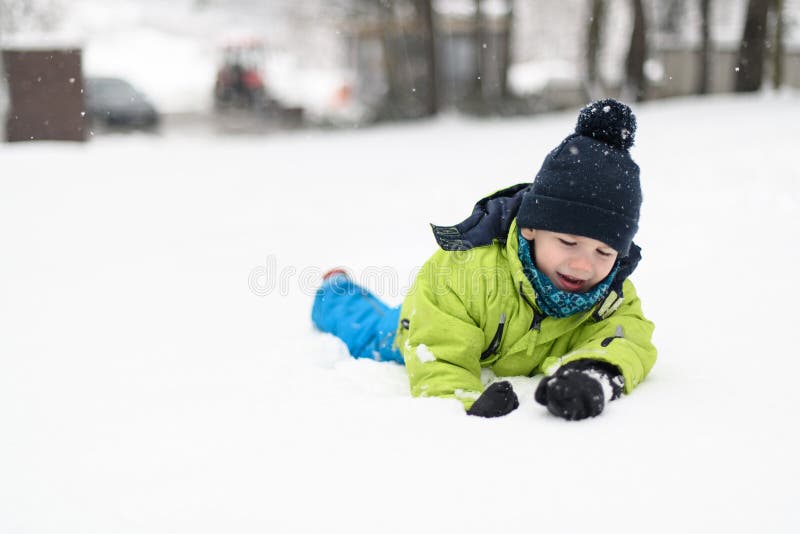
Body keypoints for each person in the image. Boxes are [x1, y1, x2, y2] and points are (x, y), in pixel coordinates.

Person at [312, 99, 656, 421]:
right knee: (369, 330)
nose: (583, 265)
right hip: (421, 324)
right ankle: (336, 289)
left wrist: (595, 373)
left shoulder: (610, 297)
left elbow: (627, 339)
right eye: (568, 242)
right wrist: (464, 400)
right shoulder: (468, 273)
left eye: (604, 252)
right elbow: (438, 348)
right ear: (531, 228)